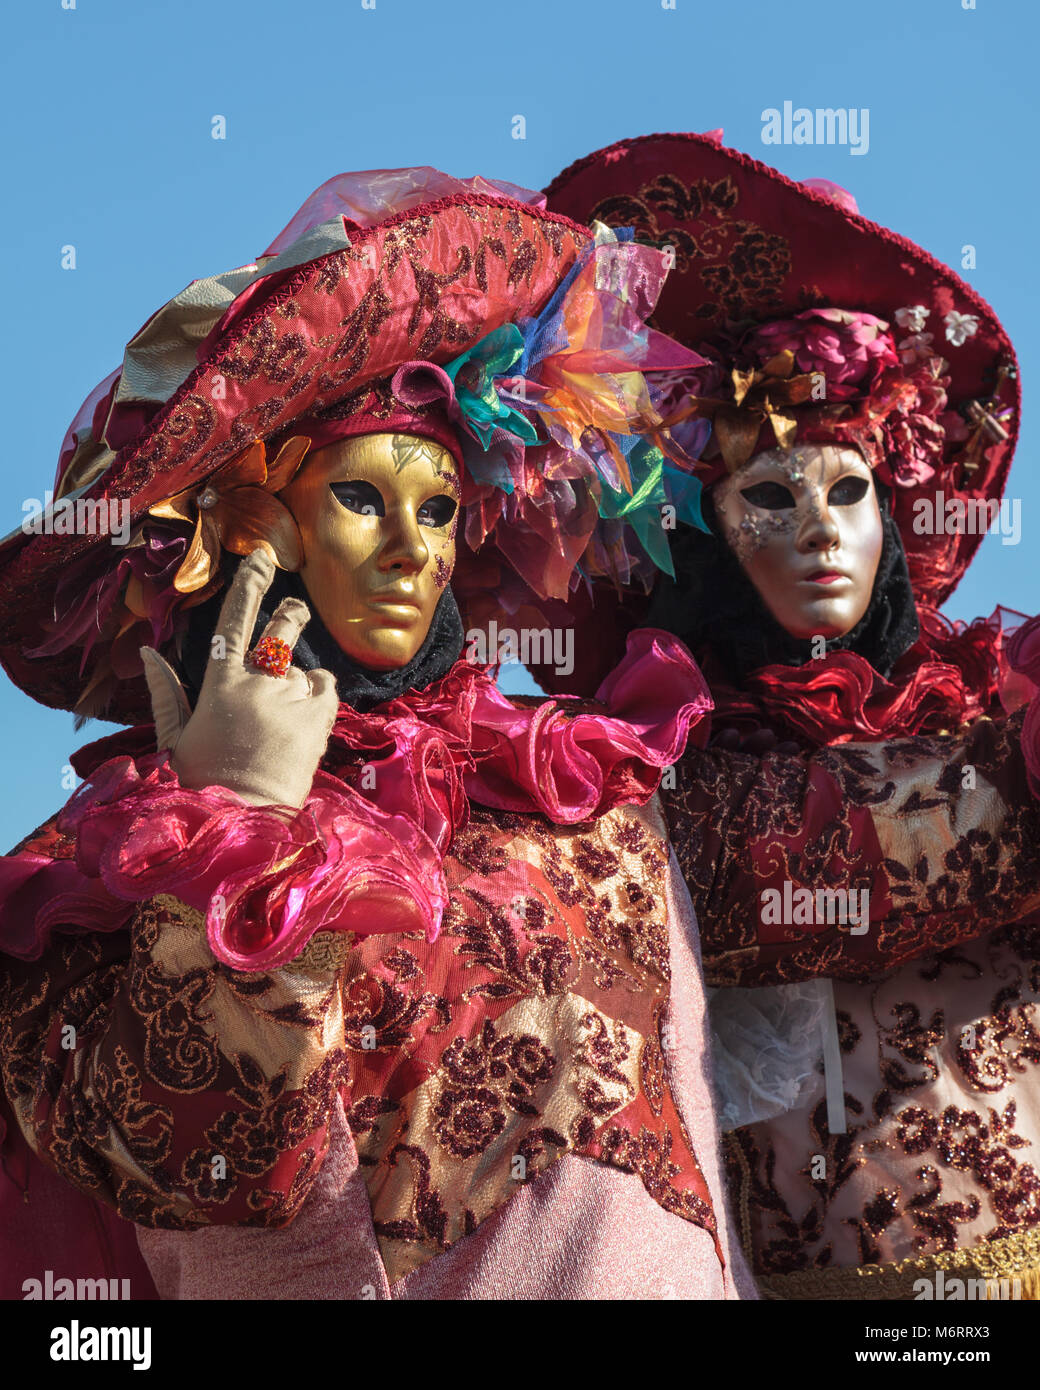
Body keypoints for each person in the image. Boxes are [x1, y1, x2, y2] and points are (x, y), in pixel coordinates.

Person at [0, 166, 764, 1300]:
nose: (413, 548)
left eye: (440, 506)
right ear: (266, 526)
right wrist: (232, 827)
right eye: (361, 498)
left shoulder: (579, 793)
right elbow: (177, 1159)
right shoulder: (105, 862)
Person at [545, 131, 1040, 1298]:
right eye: (768, 493)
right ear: (705, 532)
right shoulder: (647, 775)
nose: (820, 527)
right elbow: (823, 857)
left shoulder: (992, 711)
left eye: (850, 488)